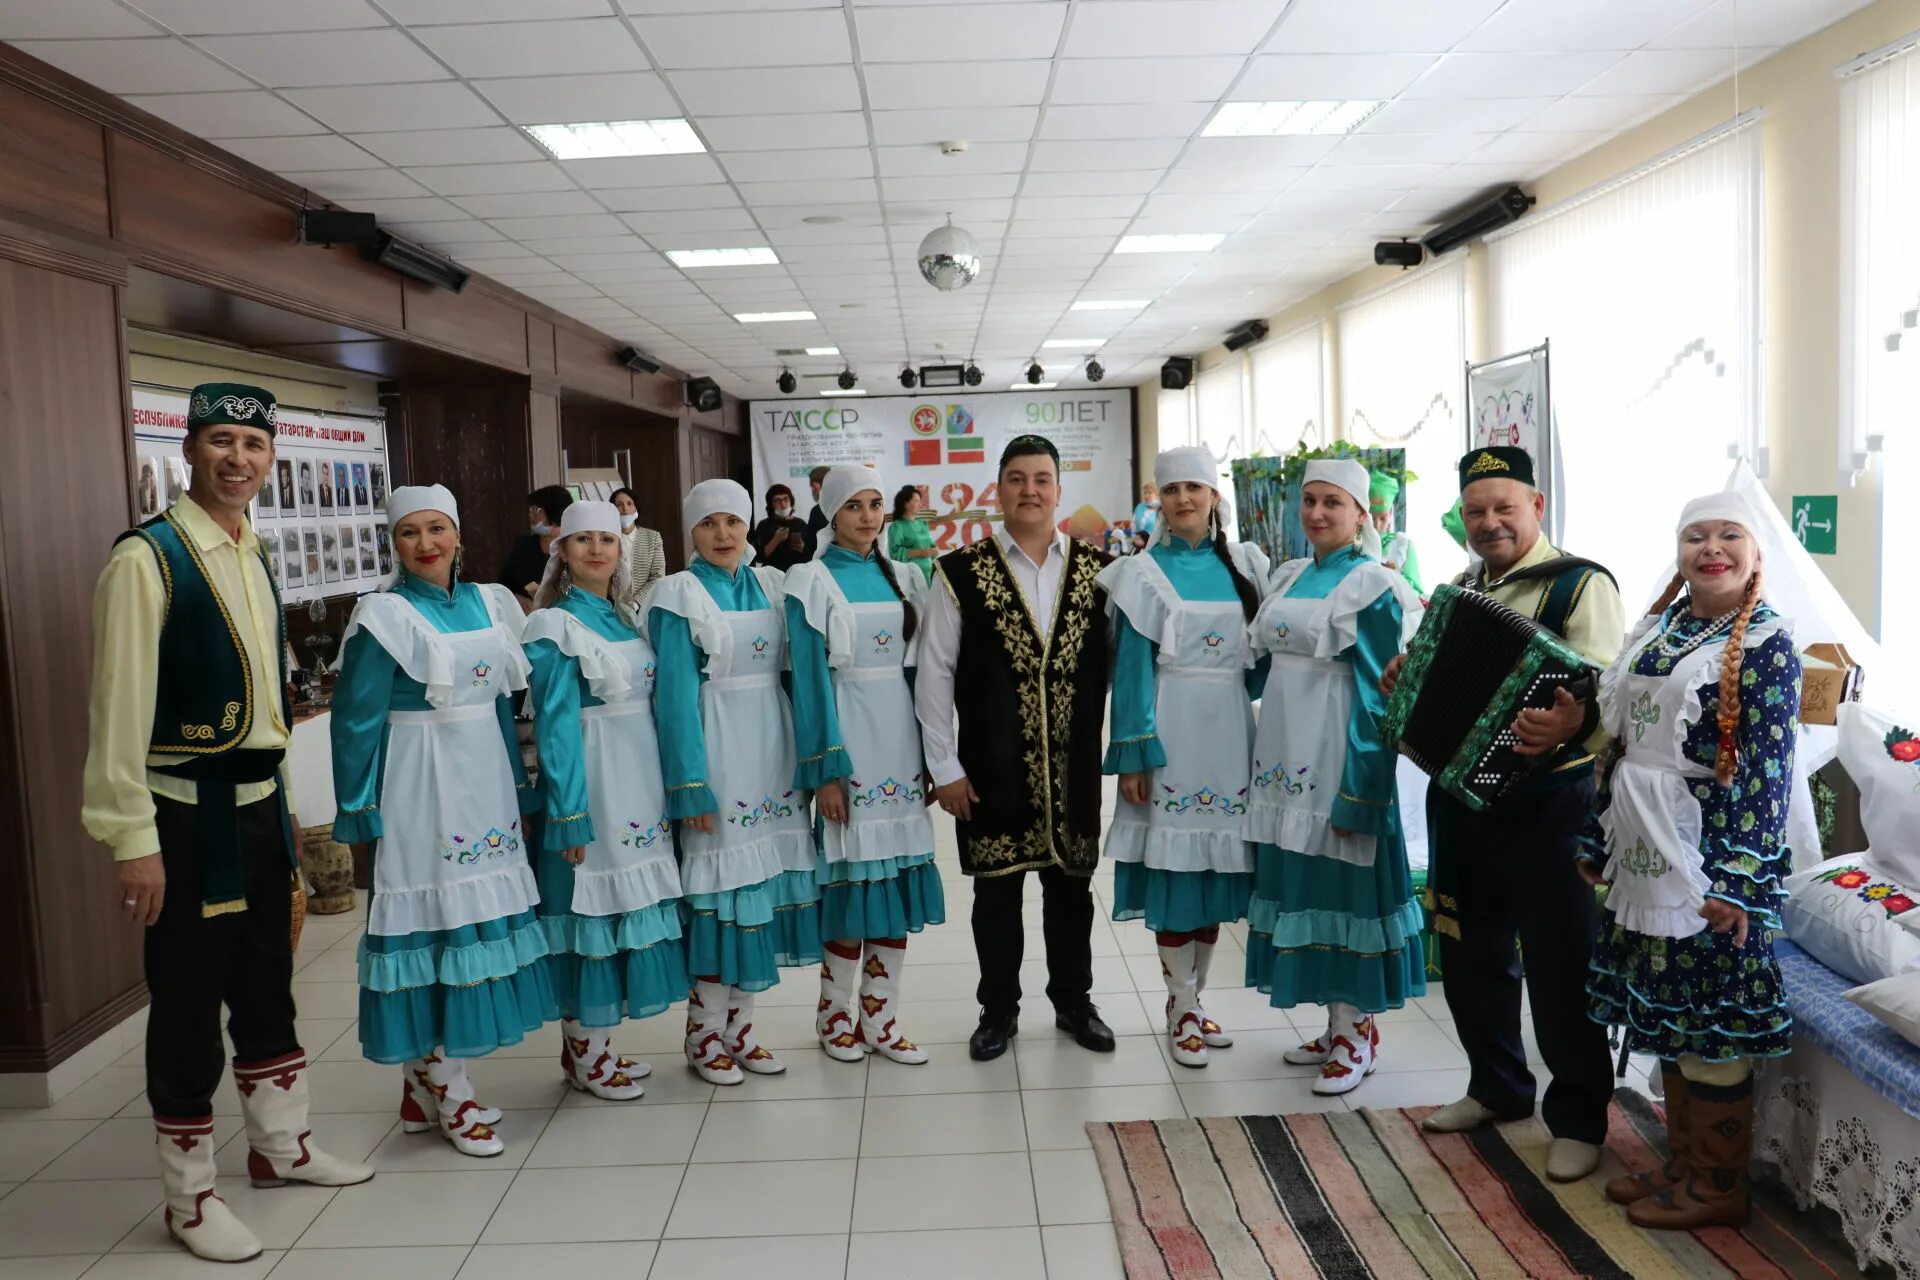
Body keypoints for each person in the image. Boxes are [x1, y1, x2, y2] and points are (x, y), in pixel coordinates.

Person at [82, 382, 372, 1263]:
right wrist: (132, 840)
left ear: (270, 460)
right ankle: (189, 1194)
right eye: (220, 442)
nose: (237, 459)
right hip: (183, 813)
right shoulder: (149, 559)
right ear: (189, 451)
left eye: (253, 445)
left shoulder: (250, 549)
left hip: (256, 807)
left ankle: (281, 1147)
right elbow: (117, 711)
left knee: (263, 982)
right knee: (184, 1001)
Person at [1382, 446, 1626, 1182]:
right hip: (1462, 797)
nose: (1489, 523)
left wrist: (1571, 725)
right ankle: (1496, 1087)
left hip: (1550, 802)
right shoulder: (1462, 587)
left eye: (1504, 508)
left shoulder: (1582, 585)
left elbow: (1612, 695)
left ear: (1537, 507)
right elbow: (1434, 671)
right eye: (1477, 511)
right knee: (1469, 947)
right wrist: (1407, 672)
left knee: (1559, 960)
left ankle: (1579, 1117)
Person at [1584, 492, 1798, 1230]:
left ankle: (1718, 1186)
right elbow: (1617, 744)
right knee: (1671, 1016)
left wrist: (1736, 882)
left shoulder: (1769, 644)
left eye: (1729, 536)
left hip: (1708, 862)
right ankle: (1685, 1164)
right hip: (1644, 849)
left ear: (1757, 551)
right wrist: (1596, 838)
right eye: (1695, 537)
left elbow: (1768, 771)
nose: (1711, 549)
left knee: (1709, 1021)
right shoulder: (1664, 626)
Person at [331, 485, 553, 1159]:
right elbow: (356, 717)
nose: (426, 543)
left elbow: (499, 709)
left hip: (482, 775)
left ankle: (420, 1082)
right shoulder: (384, 615)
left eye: (437, 529)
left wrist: (517, 786)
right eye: (409, 533)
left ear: (458, 535)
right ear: (394, 544)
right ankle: (449, 1084)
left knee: (470, 926)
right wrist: (356, 804)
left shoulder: (491, 602)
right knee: (433, 927)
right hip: (418, 781)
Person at [915, 434, 1115, 1062]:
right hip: (991, 765)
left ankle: (1074, 1003)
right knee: (995, 896)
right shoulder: (959, 572)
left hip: (1073, 765)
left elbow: (1118, 670)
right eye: (1017, 479)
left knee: (1072, 894)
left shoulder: (1098, 571)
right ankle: (997, 1010)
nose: (1030, 490)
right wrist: (944, 767)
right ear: (997, 489)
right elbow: (934, 675)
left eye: (1042, 479)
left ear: (1059, 489)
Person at [1243, 459, 1424, 1096]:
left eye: (1333, 504)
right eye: (1309, 501)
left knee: (1344, 890)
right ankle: (1336, 1021)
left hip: (1337, 763)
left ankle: (1356, 1033)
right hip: (1285, 764)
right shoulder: (1292, 577)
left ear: (1360, 516)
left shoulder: (1372, 585)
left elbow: (1381, 694)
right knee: (1306, 888)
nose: (1317, 514)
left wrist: (1363, 787)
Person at [1099, 447, 1270, 1068]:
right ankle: (1180, 1005)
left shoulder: (1248, 566)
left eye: (1195, 488)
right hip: (1170, 735)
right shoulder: (1139, 574)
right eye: (1172, 491)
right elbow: (1132, 672)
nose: (1184, 500)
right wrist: (1137, 755)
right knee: (1176, 877)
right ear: (1159, 500)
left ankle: (1195, 1001)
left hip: (1229, 733)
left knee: (1214, 874)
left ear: (1214, 497)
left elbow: (1260, 664)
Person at [646, 479, 821, 1084]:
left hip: (771, 749)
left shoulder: (773, 586)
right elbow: (673, 697)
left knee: (763, 892)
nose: (723, 534)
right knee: (722, 901)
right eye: (708, 523)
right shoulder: (678, 593)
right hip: (716, 748)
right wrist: (689, 783)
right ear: (690, 531)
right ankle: (703, 1036)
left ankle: (740, 1030)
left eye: (733, 522)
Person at [525, 500, 687, 1101]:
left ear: (622, 551)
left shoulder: (626, 619)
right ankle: (588, 1055)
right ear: (561, 552)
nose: (596, 549)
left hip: (636, 781)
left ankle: (593, 1048)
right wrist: (569, 813)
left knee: (619, 916)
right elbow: (557, 727)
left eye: (607, 540)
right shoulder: (553, 625)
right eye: (582, 540)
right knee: (586, 916)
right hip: (593, 784)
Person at [786, 466, 946, 1065]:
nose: (869, 515)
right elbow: (809, 681)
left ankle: (880, 1018)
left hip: (898, 747)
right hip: (847, 741)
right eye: (854, 505)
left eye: (876, 504)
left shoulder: (905, 576)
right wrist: (827, 769)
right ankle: (834, 1019)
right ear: (831, 513)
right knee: (851, 890)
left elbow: (923, 675)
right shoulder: (810, 579)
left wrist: (933, 754)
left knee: (894, 892)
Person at [501, 485, 573, 612]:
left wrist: (543, 601)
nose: (531, 516)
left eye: (537, 510)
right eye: (530, 510)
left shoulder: (573, 547)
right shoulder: (524, 545)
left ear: (554, 511)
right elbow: (503, 584)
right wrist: (515, 598)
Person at [1369, 468, 1424, 595]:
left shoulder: (1403, 545)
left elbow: (1417, 593)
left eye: (1382, 518)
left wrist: (1396, 578)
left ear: (1390, 514)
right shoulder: (1352, 544)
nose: (1377, 525)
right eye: (1371, 518)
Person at [609, 486, 667, 607]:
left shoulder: (653, 537)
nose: (625, 509)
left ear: (636, 508)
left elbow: (658, 576)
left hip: (644, 606)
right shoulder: (606, 538)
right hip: (611, 605)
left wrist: (636, 603)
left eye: (629, 503)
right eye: (619, 505)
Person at [751, 484, 811, 573]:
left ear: (791, 501)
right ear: (771, 504)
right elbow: (759, 557)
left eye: (785, 499)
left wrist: (802, 548)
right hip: (771, 576)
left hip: (797, 574)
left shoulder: (801, 524)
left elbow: (811, 556)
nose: (783, 504)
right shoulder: (764, 525)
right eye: (777, 501)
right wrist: (776, 539)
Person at [886, 484, 939, 584]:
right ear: (906, 504)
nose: (920, 505)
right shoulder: (897, 527)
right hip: (910, 577)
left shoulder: (922, 524)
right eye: (916, 501)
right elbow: (894, 554)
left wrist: (934, 550)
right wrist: (919, 552)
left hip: (929, 574)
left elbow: (932, 546)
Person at [803, 465, 832, 558]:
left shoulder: (817, 511)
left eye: (812, 486)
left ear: (816, 486)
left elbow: (810, 546)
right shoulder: (846, 506)